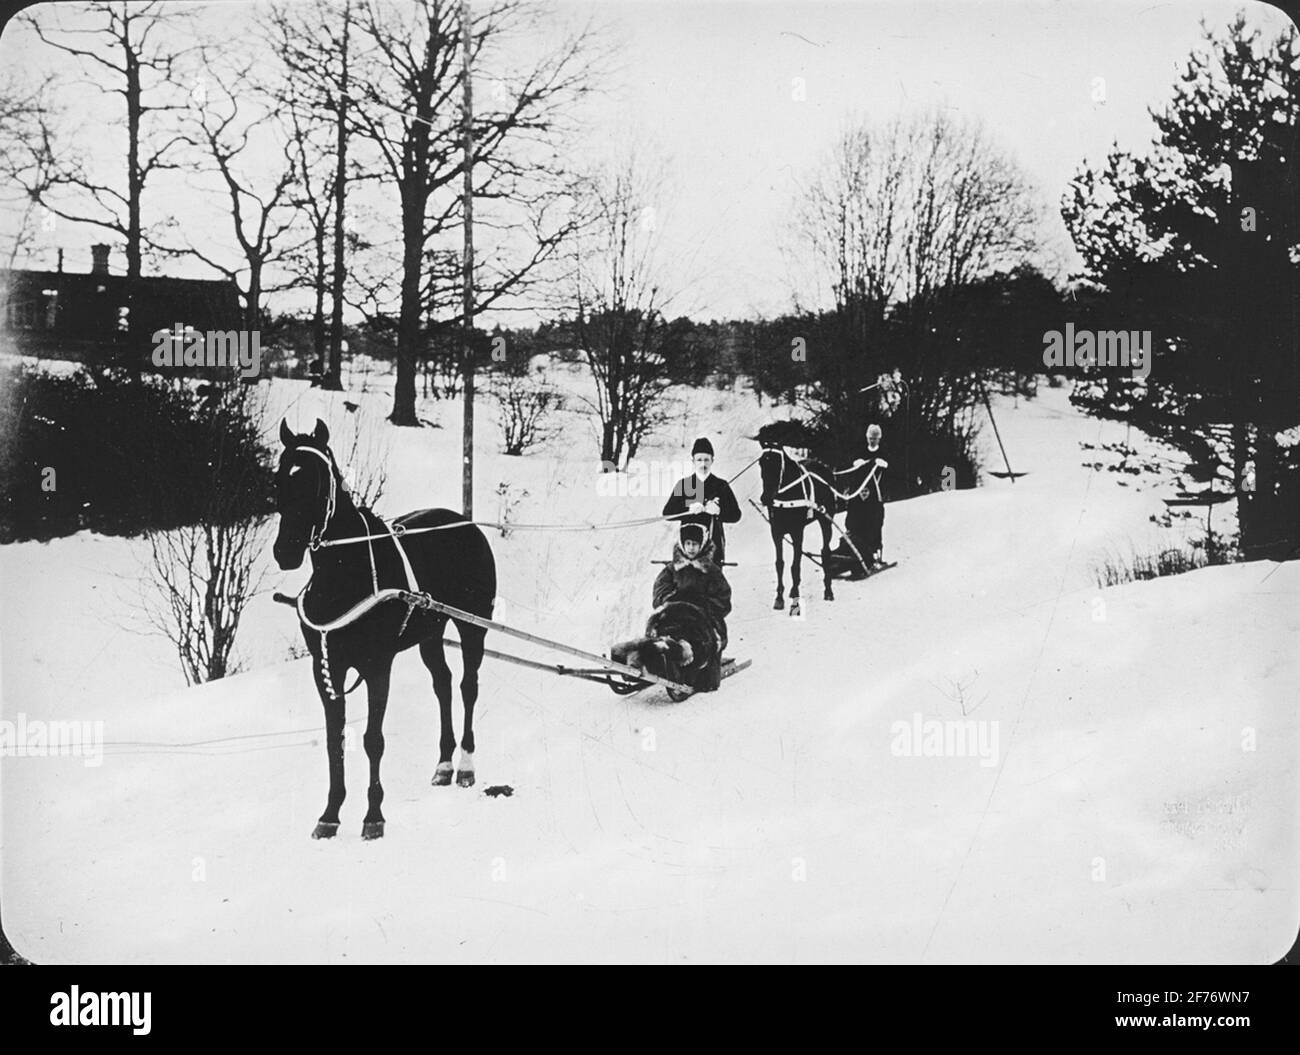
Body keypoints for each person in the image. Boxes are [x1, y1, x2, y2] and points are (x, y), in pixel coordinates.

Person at [652, 522, 732, 654]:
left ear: (701, 545)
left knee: (703, 644)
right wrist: (675, 601)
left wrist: (701, 605)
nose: (691, 548)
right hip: (673, 618)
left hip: (703, 621)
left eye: (695, 544)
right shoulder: (671, 571)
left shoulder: (711, 572)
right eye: (688, 543)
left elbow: (723, 600)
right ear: (682, 544)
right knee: (660, 633)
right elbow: (659, 596)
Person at [661, 437, 742, 563]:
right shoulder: (683, 484)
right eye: (699, 460)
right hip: (687, 549)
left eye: (706, 460)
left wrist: (719, 511)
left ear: (712, 461)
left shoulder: (721, 485)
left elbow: (736, 515)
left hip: (713, 548)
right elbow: (667, 513)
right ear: (693, 461)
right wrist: (689, 507)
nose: (703, 464)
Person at [833, 423, 889, 576]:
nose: (872, 441)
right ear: (867, 438)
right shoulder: (860, 451)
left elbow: (892, 470)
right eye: (870, 438)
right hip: (858, 494)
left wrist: (884, 464)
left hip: (874, 495)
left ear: (879, 439)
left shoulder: (883, 452)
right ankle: (851, 549)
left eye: (875, 438)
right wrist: (855, 463)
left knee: (874, 522)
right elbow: (848, 466)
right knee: (854, 520)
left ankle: (874, 553)